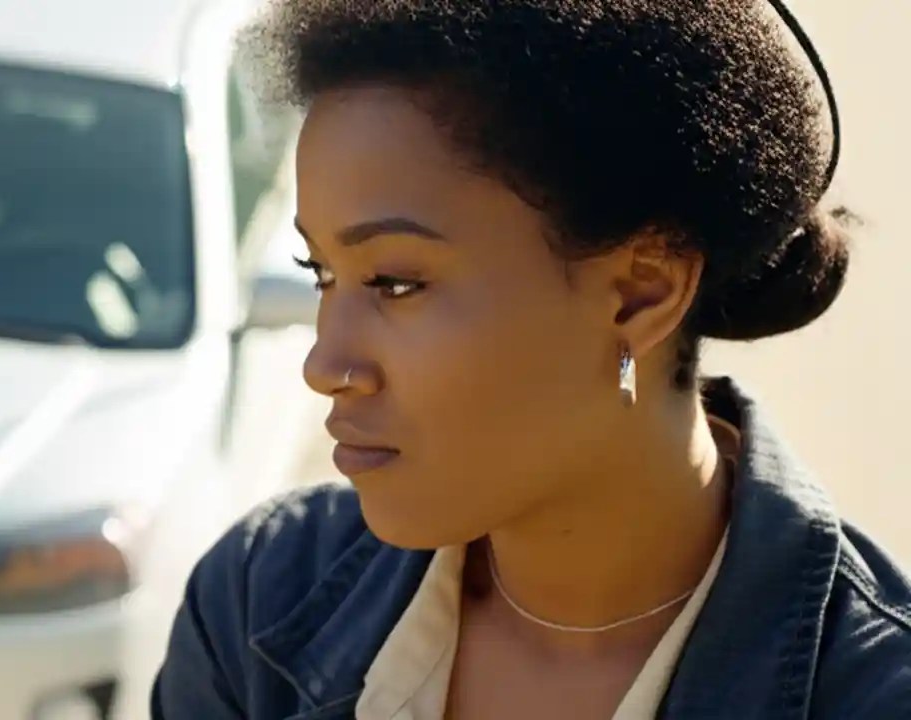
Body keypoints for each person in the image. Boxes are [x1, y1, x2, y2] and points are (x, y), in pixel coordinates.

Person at [153, 1, 911, 718]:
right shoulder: (256, 600)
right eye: (321, 272)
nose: (324, 364)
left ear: (640, 294)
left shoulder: (873, 691)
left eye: (395, 282)